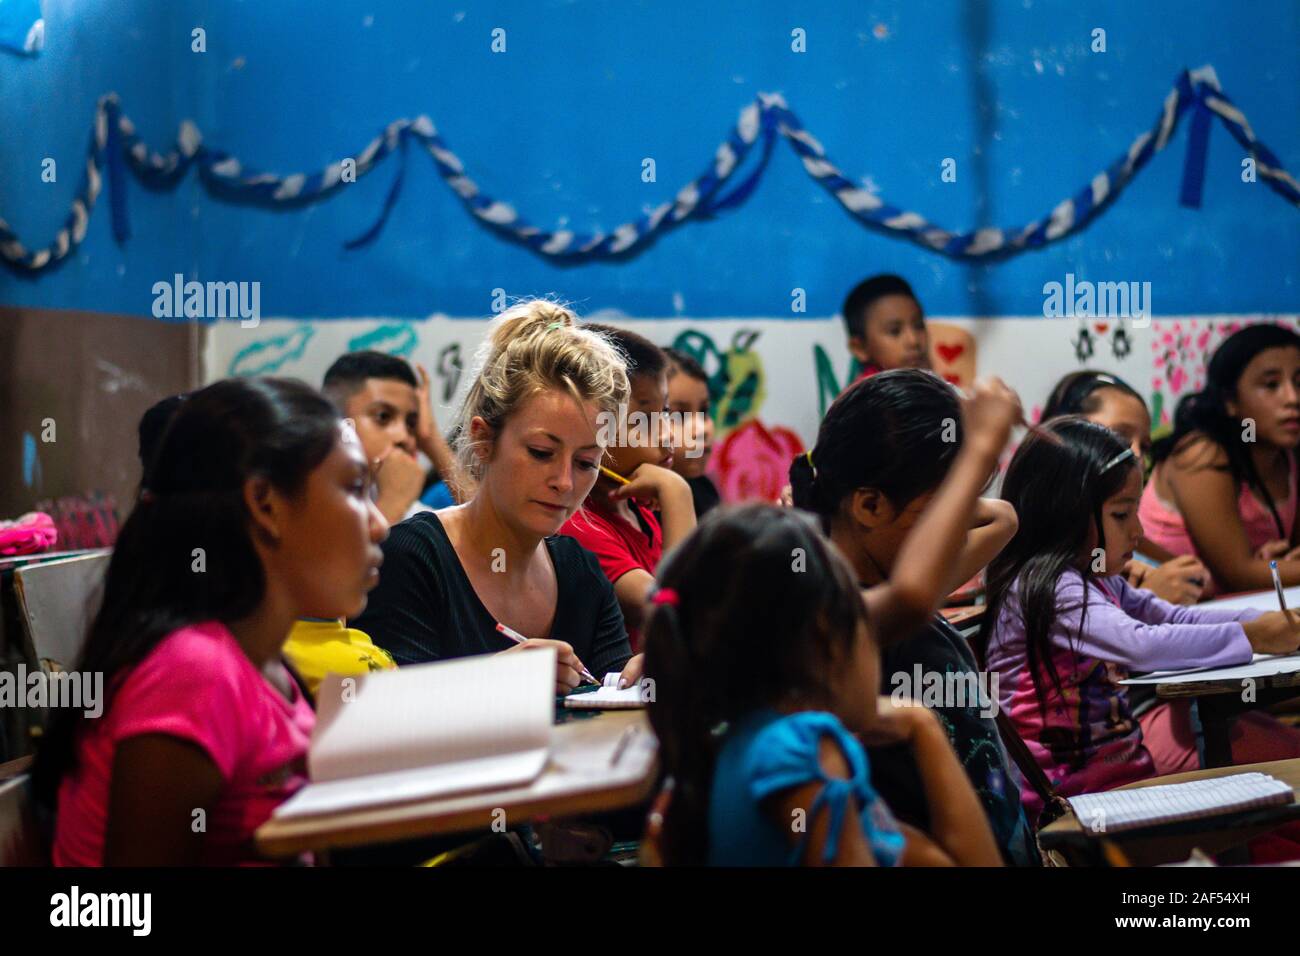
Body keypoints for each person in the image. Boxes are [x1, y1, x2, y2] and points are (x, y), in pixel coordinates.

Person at [39, 378, 387, 865]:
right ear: (266, 503)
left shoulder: (267, 665)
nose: (379, 524)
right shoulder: (195, 673)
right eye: (354, 488)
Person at [790, 369, 1036, 865]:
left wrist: (953, 489)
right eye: (940, 513)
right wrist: (978, 451)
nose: (945, 536)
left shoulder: (889, 575)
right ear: (870, 505)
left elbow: (1003, 517)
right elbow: (913, 598)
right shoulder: (826, 612)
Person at [351, 300, 642, 693]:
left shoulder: (580, 573)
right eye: (541, 453)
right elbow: (382, 726)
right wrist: (491, 681)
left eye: (586, 463)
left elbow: (616, 702)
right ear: (483, 439)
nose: (564, 482)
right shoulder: (411, 559)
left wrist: (643, 681)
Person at [1141, 324, 1300, 595]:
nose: (1292, 398)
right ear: (1230, 401)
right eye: (1271, 385)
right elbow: (1240, 575)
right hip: (1173, 619)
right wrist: (1266, 570)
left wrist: (1274, 566)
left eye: (1299, 382)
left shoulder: (1289, 454)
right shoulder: (1203, 455)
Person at [1043, 370, 1207, 604]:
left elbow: (1198, 580)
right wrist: (1144, 600)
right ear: (1067, 438)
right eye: (1118, 437)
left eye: (1145, 446)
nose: (1136, 455)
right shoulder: (1041, 556)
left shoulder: (1123, 535)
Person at [322, 350, 456, 523]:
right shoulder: (297, 501)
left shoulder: (416, 515)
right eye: (383, 417)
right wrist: (392, 503)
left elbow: (493, 535)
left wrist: (431, 439)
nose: (403, 437)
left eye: (411, 423)